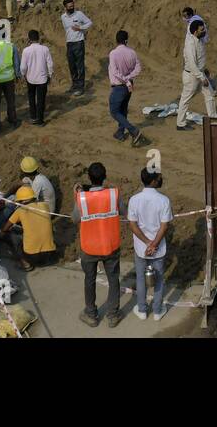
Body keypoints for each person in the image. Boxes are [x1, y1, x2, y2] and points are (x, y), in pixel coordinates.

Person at [73, 162, 123, 328]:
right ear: (105, 176)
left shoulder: (82, 198)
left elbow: (75, 218)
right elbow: (124, 211)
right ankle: (113, 315)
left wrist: (78, 195)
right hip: (111, 245)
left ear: (89, 177)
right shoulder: (113, 194)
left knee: (90, 280)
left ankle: (91, 315)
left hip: (89, 247)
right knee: (114, 279)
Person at [128, 167, 173, 321]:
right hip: (158, 249)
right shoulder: (164, 200)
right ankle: (158, 311)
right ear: (153, 181)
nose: (161, 179)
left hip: (141, 248)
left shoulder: (134, 200)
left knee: (141, 278)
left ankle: (141, 310)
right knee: (159, 278)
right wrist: (154, 244)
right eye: (159, 177)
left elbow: (133, 225)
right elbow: (164, 226)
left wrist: (147, 243)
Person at [0, 185, 56, 271]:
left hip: (33, 258)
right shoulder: (45, 206)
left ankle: (26, 264)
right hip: (50, 256)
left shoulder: (20, 211)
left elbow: (5, 228)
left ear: (21, 201)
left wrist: (1, 232)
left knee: (9, 236)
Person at [107, 30, 146, 146]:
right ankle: (120, 132)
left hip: (119, 86)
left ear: (116, 40)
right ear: (126, 40)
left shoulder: (113, 53)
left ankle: (133, 131)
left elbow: (114, 72)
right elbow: (138, 69)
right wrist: (129, 78)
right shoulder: (132, 52)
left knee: (114, 112)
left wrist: (125, 79)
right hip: (128, 86)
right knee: (123, 109)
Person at [177, 18, 216, 131]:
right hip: (192, 76)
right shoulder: (190, 44)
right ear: (195, 32)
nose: (204, 31)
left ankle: (213, 119)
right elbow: (192, 64)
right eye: (202, 30)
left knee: (210, 95)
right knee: (185, 99)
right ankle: (180, 124)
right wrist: (201, 77)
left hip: (200, 73)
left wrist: (204, 70)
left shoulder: (200, 40)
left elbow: (200, 58)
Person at [0, 32, 20, 131]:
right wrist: (17, 74)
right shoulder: (11, 46)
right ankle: (12, 120)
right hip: (9, 78)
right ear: (5, 36)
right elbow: (16, 61)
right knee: (10, 101)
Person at [20, 29, 53, 126]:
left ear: (29, 39)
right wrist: (49, 75)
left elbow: (23, 67)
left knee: (31, 97)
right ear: (38, 38)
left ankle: (33, 117)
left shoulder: (26, 50)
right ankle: (40, 120)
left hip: (30, 78)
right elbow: (50, 64)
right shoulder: (45, 49)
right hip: (42, 78)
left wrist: (23, 74)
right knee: (41, 99)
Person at [61, 0, 93, 96]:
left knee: (80, 65)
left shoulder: (79, 14)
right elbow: (66, 29)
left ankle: (80, 86)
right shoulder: (63, 17)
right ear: (65, 7)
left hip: (79, 42)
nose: (71, 7)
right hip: (69, 43)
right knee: (72, 65)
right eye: (69, 6)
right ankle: (74, 84)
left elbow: (89, 22)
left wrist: (80, 28)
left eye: (72, 6)